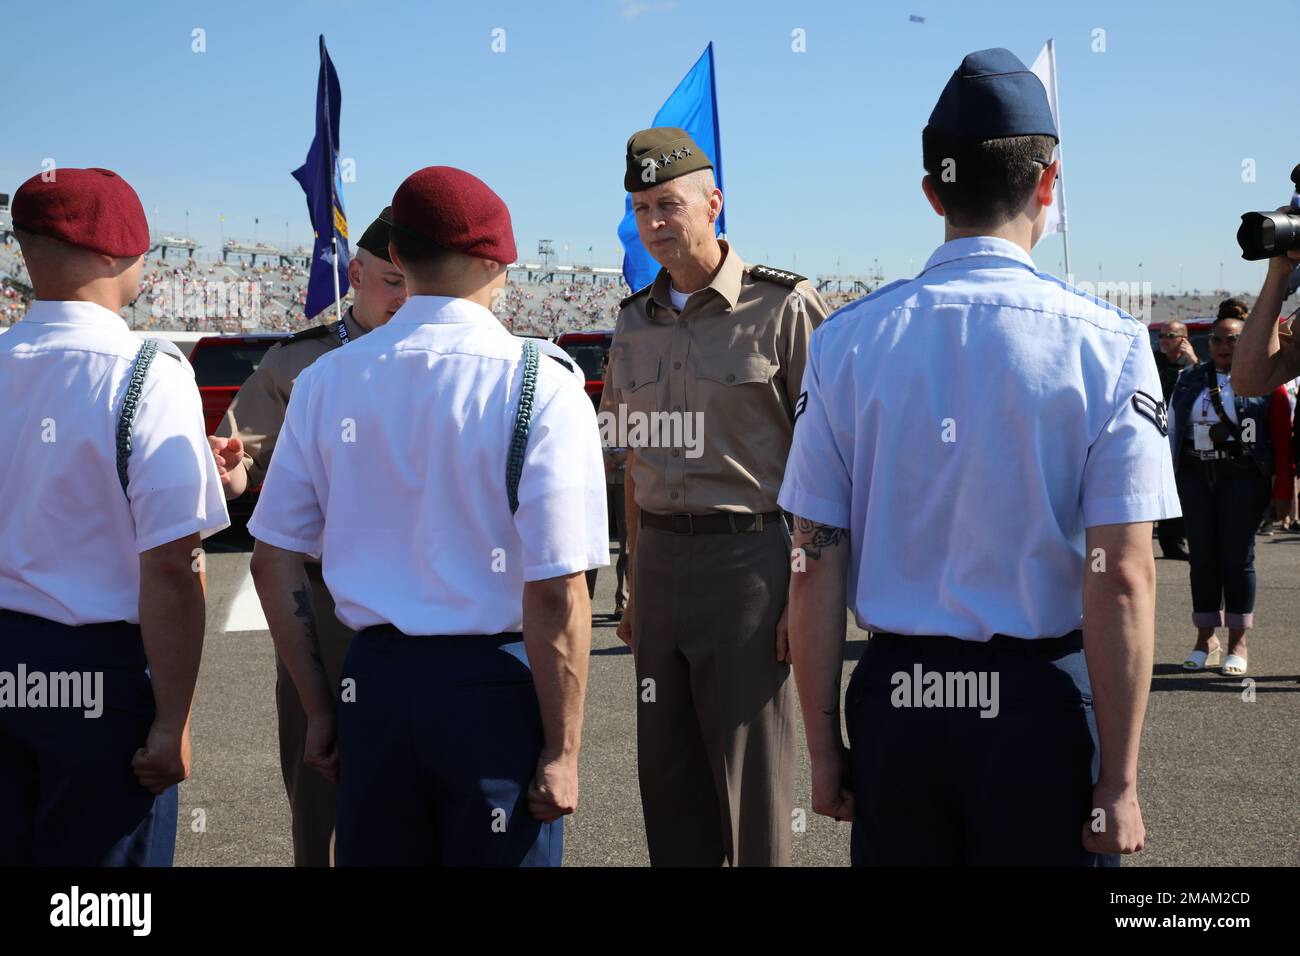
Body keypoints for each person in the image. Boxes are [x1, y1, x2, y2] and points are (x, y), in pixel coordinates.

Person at [780, 49, 1181, 866]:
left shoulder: (846, 342)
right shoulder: (1108, 345)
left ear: (932, 191)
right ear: (1049, 183)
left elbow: (812, 560)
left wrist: (823, 750)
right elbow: (1124, 576)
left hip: (900, 702)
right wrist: (1121, 784)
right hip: (1039, 707)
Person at [247, 166, 608, 866]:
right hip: (493, 688)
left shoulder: (324, 378)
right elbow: (560, 586)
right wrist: (564, 751)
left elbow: (272, 557)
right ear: (494, 263)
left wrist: (322, 708)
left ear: (400, 259)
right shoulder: (542, 381)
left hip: (374, 680)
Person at [605, 127, 829, 866]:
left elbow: (828, 458)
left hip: (751, 563)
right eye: (642, 208)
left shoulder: (784, 306)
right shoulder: (632, 323)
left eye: (669, 204)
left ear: (715, 202)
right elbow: (632, 465)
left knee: (751, 785)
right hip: (662, 561)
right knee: (668, 786)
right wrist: (634, 585)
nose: (655, 222)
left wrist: (806, 590)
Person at [0, 168, 228, 864]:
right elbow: (170, 566)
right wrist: (172, 722)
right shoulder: (146, 370)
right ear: (114, 254)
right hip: (96, 670)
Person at [208, 210, 406, 867]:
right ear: (356, 275)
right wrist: (232, 469)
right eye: (390, 281)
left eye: (419, 282)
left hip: (429, 597)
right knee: (319, 783)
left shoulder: (442, 354)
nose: (406, 298)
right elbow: (242, 463)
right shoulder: (298, 361)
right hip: (324, 603)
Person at [1169, 304, 1293, 676]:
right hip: (1195, 474)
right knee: (1202, 558)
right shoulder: (1188, 379)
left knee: (1238, 560)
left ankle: (1238, 642)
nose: (1224, 346)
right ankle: (1204, 639)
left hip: (1242, 476)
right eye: (1218, 340)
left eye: (1234, 340)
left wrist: (1283, 494)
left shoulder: (1267, 381)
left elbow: (1282, 443)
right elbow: (1173, 431)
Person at [1152, 320, 1196, 560]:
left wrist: (1193, 361)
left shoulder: (1193, 367)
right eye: (1161, 336)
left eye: (1170, 335)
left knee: (1178, 489)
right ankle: (1168, 542)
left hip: (1182, 436)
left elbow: (1208, 387)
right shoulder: (1152, 362)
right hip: (1156, 432)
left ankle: (1176, 540)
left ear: (1183, 339)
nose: (1163, 340)